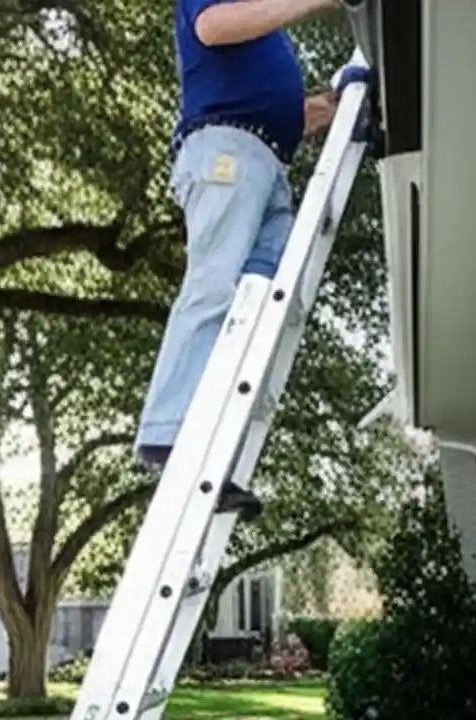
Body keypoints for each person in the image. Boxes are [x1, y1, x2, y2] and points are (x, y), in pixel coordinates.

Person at [134, 0, 360, 519]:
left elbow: (286, 112)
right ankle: (169, 436)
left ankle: (213, 449)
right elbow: (211, 28)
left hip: (266, 165)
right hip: (227, 153)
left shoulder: (265, 33)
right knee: (215, 287)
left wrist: (335, 102)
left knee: (253, 312)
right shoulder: (224, 7)